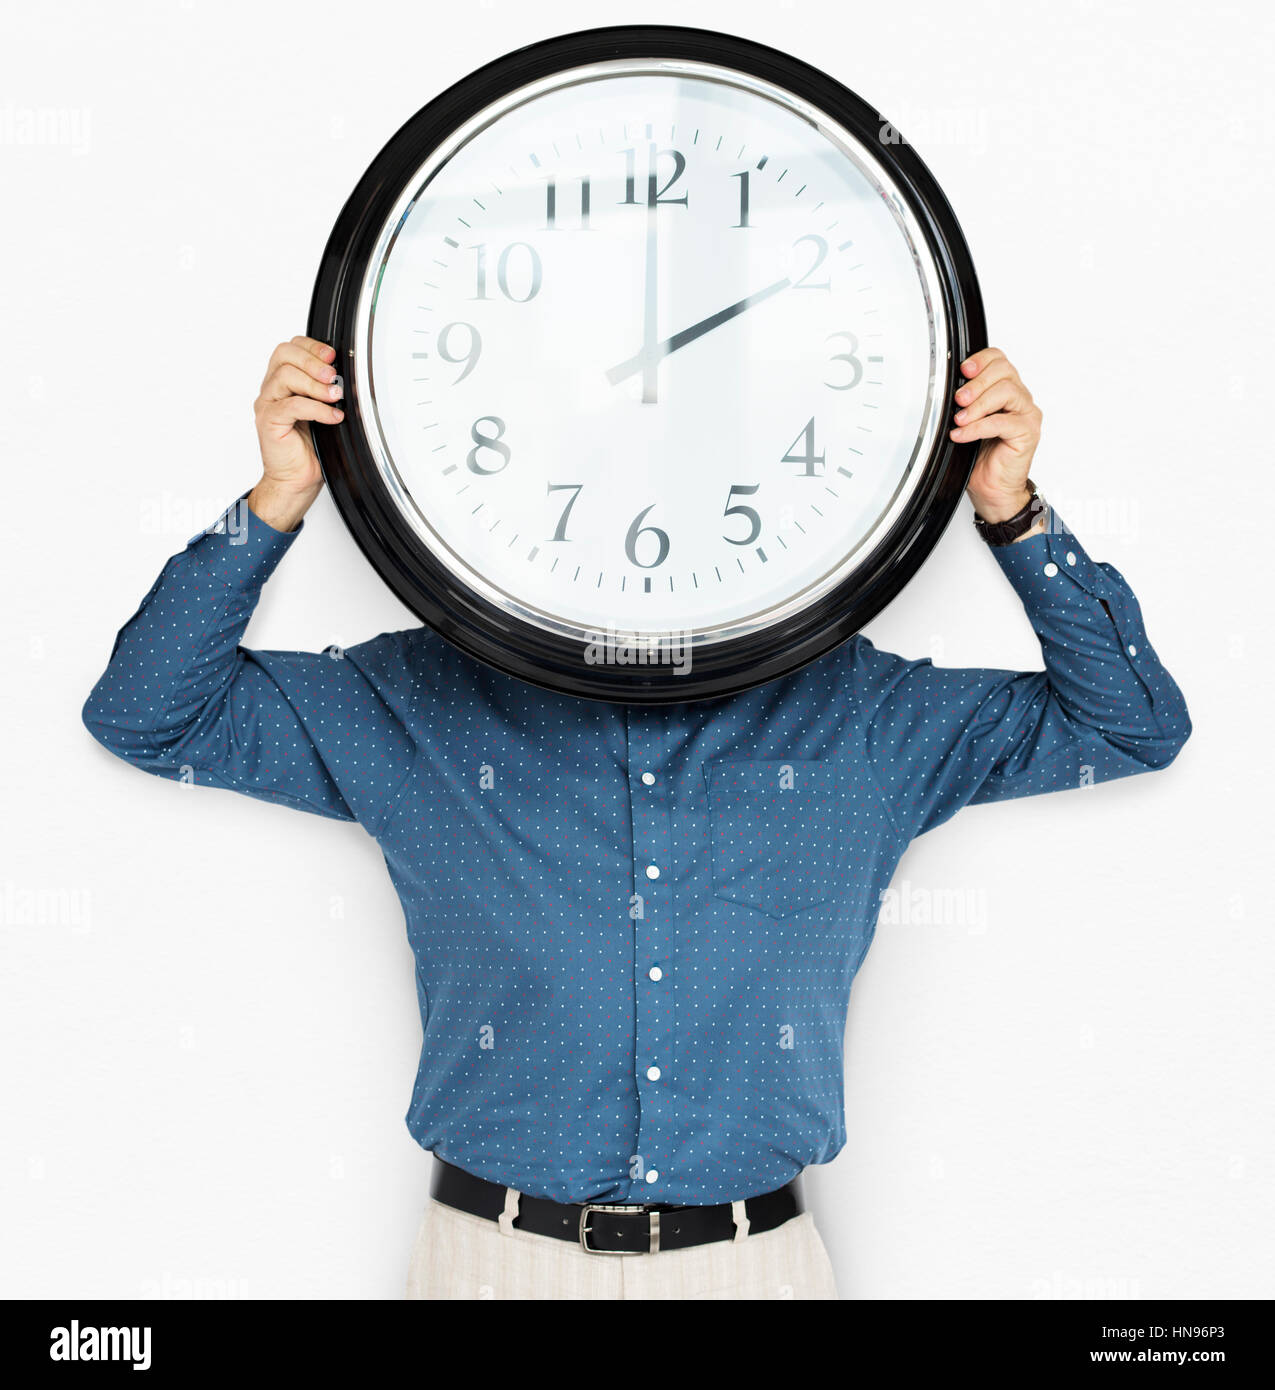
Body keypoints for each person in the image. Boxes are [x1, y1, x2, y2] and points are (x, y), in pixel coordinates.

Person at [81, 337, 1190, 1300]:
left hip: (752, 1266)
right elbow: (145, 713)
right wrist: (277, 495)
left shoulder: (866, 718)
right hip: (489, 1262)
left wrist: (1014, 509)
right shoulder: (419, 701)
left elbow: (1134, 724)